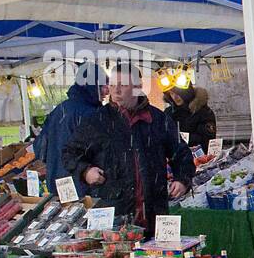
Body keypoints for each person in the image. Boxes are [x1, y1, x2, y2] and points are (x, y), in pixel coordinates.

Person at [62, 64, 195, 229]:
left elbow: (181, 153)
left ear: (138, 87)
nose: (115, 91)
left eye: (123, 85)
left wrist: (182, 179)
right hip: (113, 214)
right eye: (111, 85)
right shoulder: (97, 121)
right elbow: (69, 153)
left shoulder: (158, 119)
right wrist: (86, 171)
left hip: (154, 212)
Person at [33, 60, 106, 194]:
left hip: (56, 184)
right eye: (101, 85)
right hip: (83, 185)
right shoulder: (91, 114)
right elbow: (100, 153)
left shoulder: (59, 110)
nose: (106, 90)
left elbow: (39, 149)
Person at [164, 83, 218, 153]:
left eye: (178, 93)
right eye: (171, 93)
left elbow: (207, 140)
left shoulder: (204, 112)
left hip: (198, 158)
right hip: (174, 158)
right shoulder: (168, 112)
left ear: (187, 93)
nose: (175, 97)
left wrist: (181, 137)